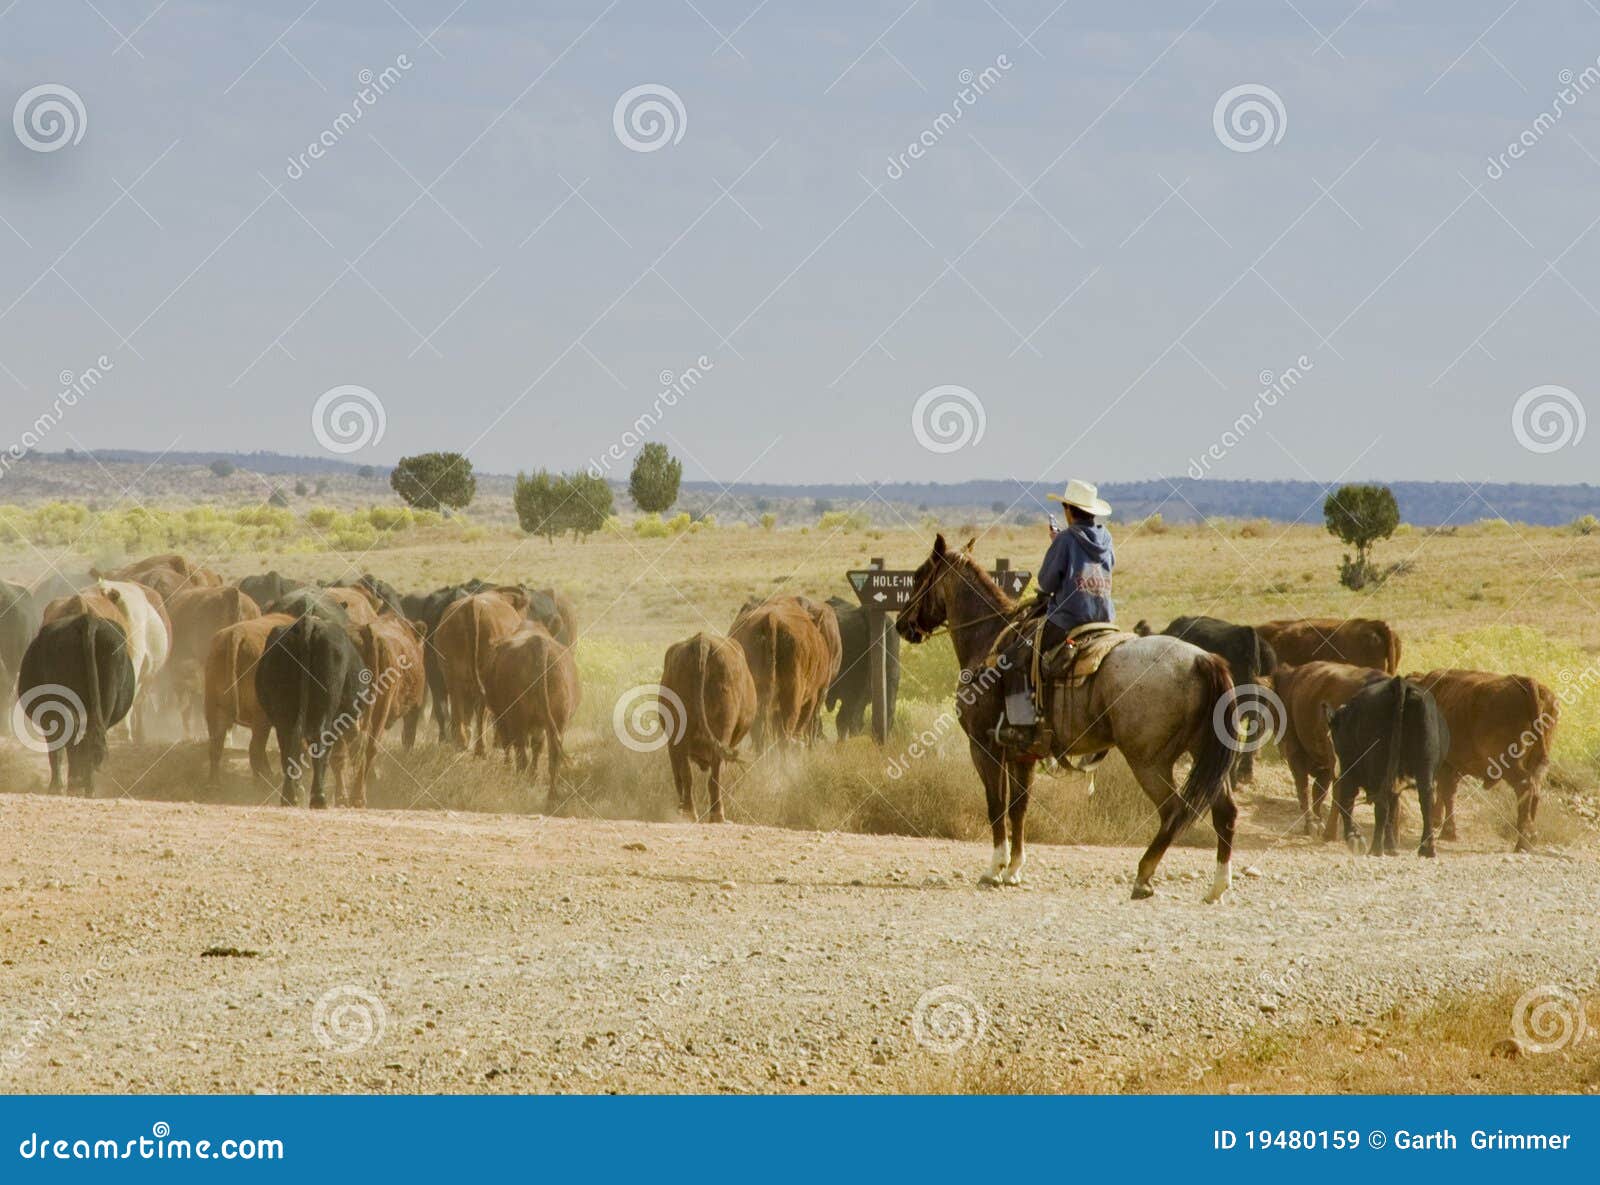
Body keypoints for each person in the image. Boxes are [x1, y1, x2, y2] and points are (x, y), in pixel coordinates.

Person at [996, 478, 1115, 747]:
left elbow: (1047, 582)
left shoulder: (1065, 540)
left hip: (1069, 620)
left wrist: (1058, 543)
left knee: (1014, 659)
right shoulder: (1106, 538)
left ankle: (1022, 728)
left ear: (1069, 511)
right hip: (1105, 620)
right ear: (1092, 511)